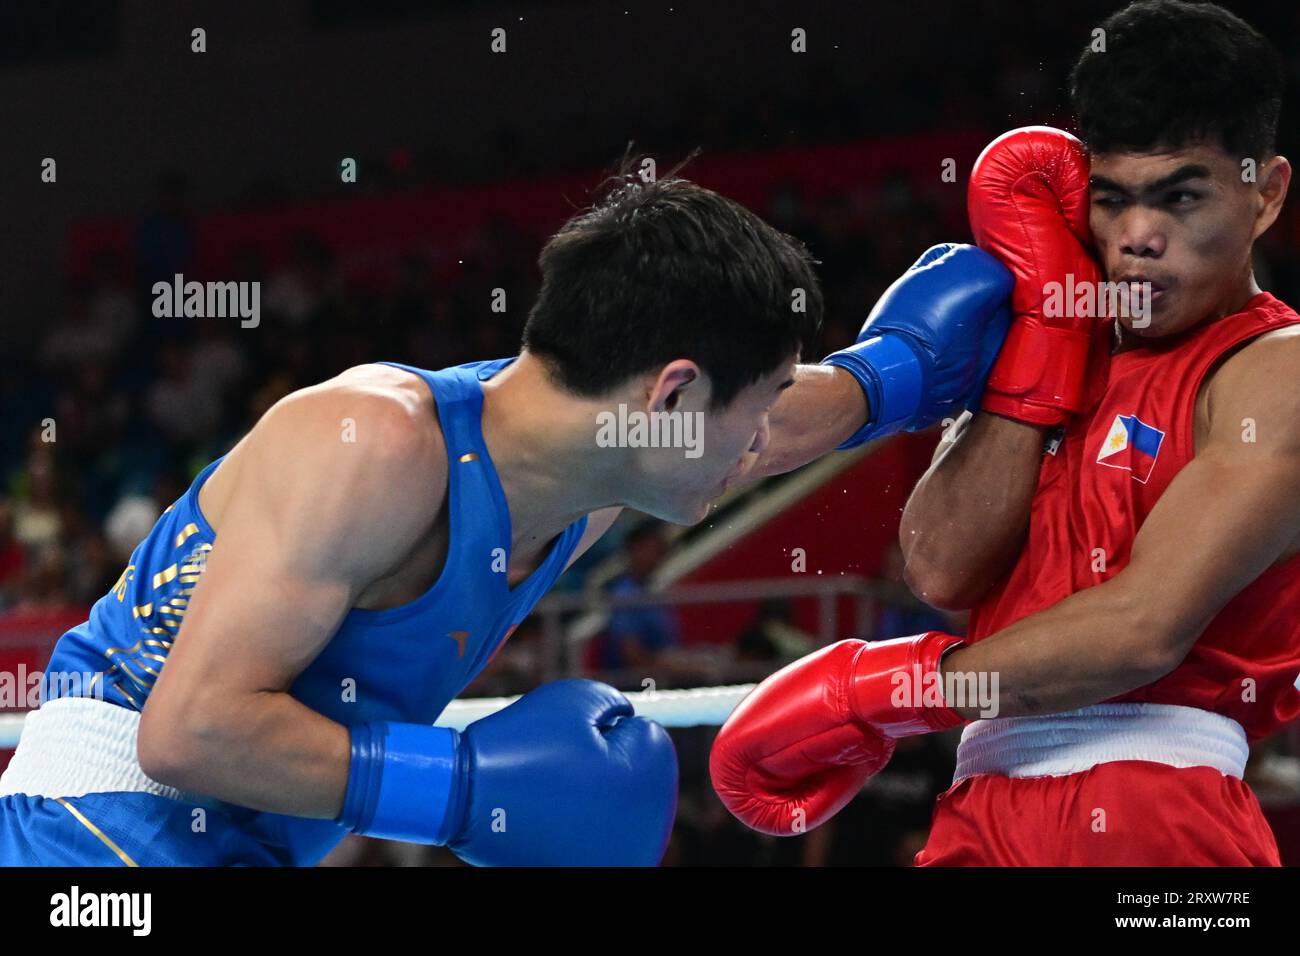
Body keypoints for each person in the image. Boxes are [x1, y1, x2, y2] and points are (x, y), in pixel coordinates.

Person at [0, 160, 1012, 866]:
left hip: (237, 838)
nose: (755, 447)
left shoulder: (592, 467)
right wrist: (460, 787)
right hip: (97, 829)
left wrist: (904, 375)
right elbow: (192, 729)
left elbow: (775, 423)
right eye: (743, 417)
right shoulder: (374, 447)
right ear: (668, 398)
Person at [710, 1, 1300, 866]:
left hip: (1159, 802)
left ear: (1265, 193)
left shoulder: (1272, 367)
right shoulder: (1064, 334)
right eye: (1113, 199)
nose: (1138, 237)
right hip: (981, 796)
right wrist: (1042, 350)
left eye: (1181, 197)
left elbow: (1141, 629)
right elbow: (944, 564)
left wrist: (884, 689)